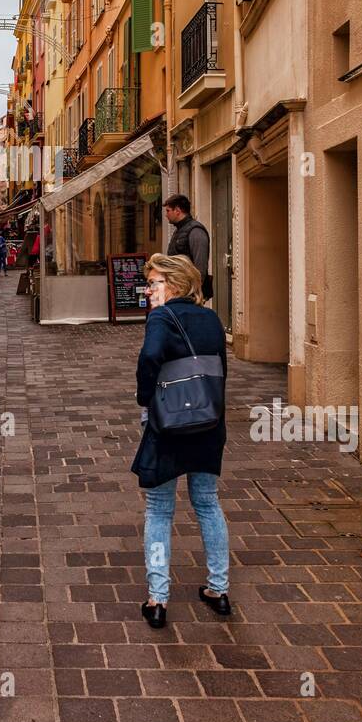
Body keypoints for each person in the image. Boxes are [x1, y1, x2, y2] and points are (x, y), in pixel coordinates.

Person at [132, 252, 230, 630]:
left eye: (153, 282)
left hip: (169, 424)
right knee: (207, 503)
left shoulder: (161, 317)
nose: (148, 289)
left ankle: (158, 599)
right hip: (208, 421)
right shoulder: (211, 318)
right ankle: (218, 590)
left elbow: (150, 356)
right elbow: (221, 369)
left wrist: (145, 397)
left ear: (173, 285)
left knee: (159, 509)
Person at [164, 194, 212, 301]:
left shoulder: (195, 231)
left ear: (177, 210)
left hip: (189, 295)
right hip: (179, 291)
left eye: (168, 211)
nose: (166, 215)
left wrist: (193, 295)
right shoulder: (179, 230)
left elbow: (200, 267)